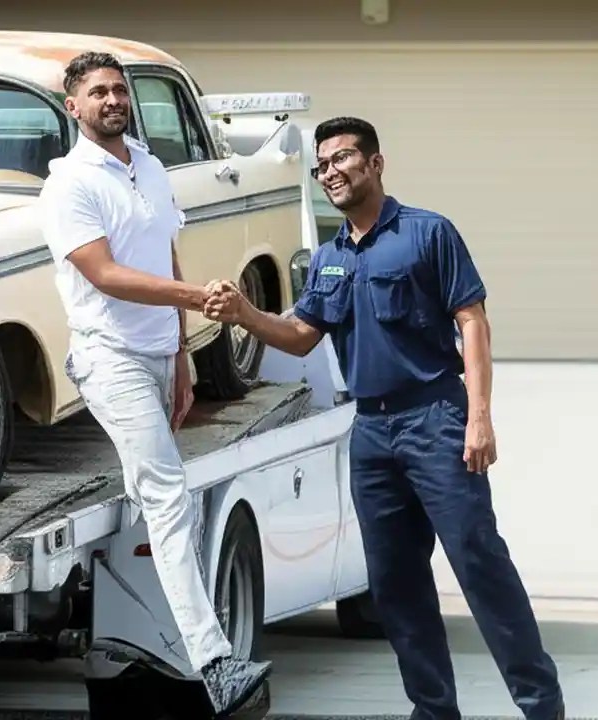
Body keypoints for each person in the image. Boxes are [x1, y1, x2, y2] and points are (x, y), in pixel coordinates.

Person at [202, 116, 565, 720]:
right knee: (394, 585)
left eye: (342, 159)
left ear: (375, 163)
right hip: (370, 434)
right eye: (321, 166)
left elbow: (472, 322)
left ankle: (541, 706)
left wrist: (479, 418)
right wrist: (243, 312)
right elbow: (297, 336)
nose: (331, 172)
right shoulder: (329, 258)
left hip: (436, 420)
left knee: (479, 563)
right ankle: (433, 710)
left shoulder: (428, 234)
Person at [38, 50, 271, 716]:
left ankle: (147, 643)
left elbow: (165, 249)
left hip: (156, 354)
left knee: (160, 496)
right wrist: (198, 297)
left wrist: (182, 354)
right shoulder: (69, 184)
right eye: (98, 92)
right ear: (73, 107)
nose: (113, 99)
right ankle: (214, 663)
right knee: (171, 494)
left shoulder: (148, 165)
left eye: (119, 89)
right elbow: (105, 275)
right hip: (108, 357)